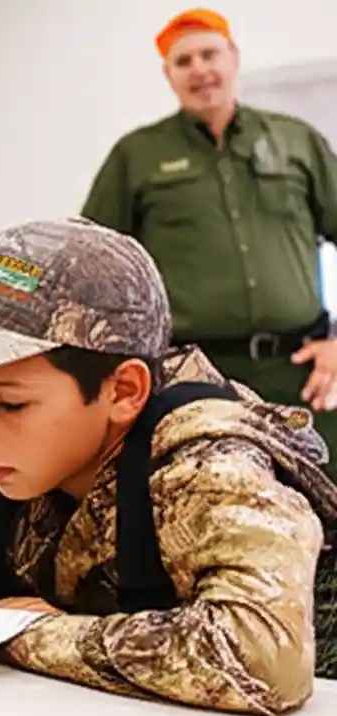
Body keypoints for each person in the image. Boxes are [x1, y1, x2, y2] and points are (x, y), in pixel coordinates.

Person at [0, 217, 337, 713]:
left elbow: (266, 660)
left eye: (12, 404)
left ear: (123, 391)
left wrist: (12, 630)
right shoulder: (2, 474)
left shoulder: (213, 468)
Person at [80, 8, 337, 480]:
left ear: (233, 57)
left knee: (323, 513)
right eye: (183, 61)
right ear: (169, 76)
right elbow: (96, 266)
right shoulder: (137, 156)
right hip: (194, 377)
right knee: (210, 506)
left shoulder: (296, 142)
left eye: (209, 54)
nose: (199, 69)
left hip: (298, 376)